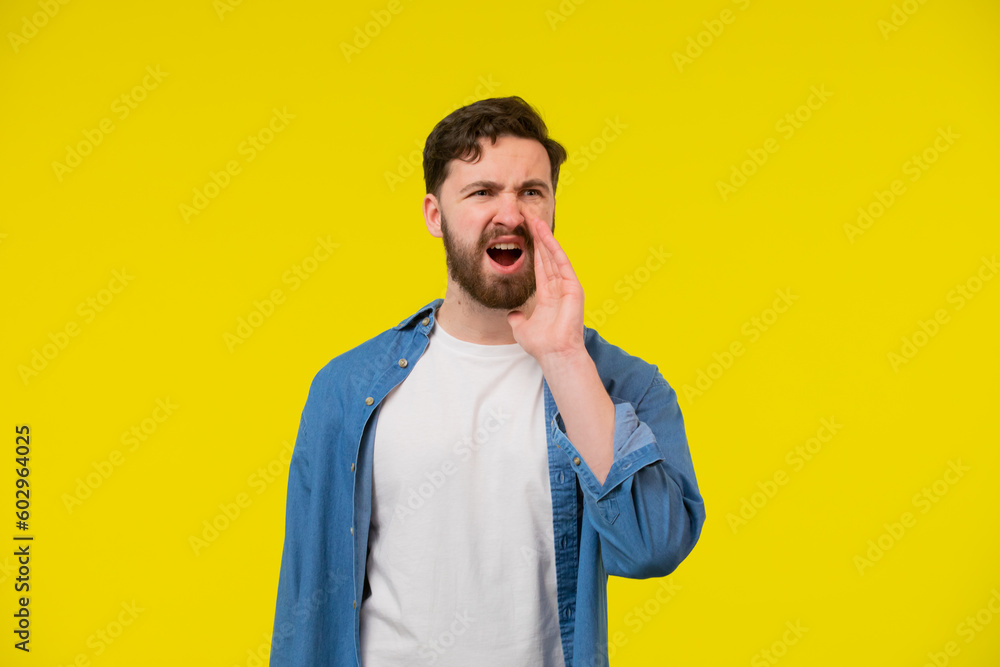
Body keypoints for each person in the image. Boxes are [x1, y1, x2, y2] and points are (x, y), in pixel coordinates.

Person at [268, 96, 706, 667]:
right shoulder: (347, 390)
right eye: (482, 192)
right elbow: (306, 601)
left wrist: (565, 356)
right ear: (435, 215)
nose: (511, 214)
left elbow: (653, 548)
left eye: (532, 192)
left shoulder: (619, 384)